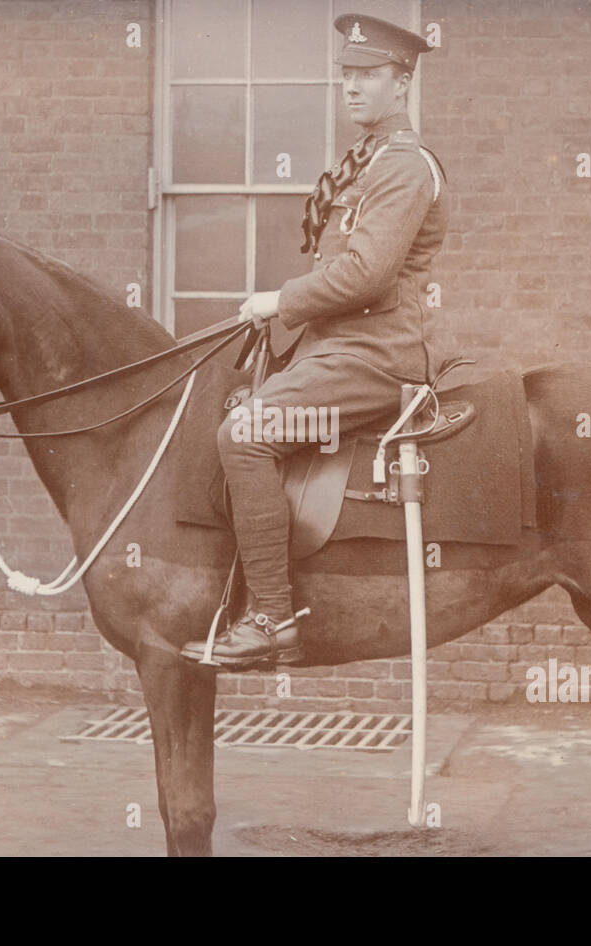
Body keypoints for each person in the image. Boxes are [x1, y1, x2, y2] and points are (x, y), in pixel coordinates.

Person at [182, 13, 448, 669]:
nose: (353, 88)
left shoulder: (406, 168)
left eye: (369, 76)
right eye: (347, 76)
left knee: (244, 435)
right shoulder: (365, 164)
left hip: (376, 355)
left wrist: (281, 299)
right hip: (333, 348)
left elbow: (367, 274)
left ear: (403, 81)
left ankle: (272, 618)